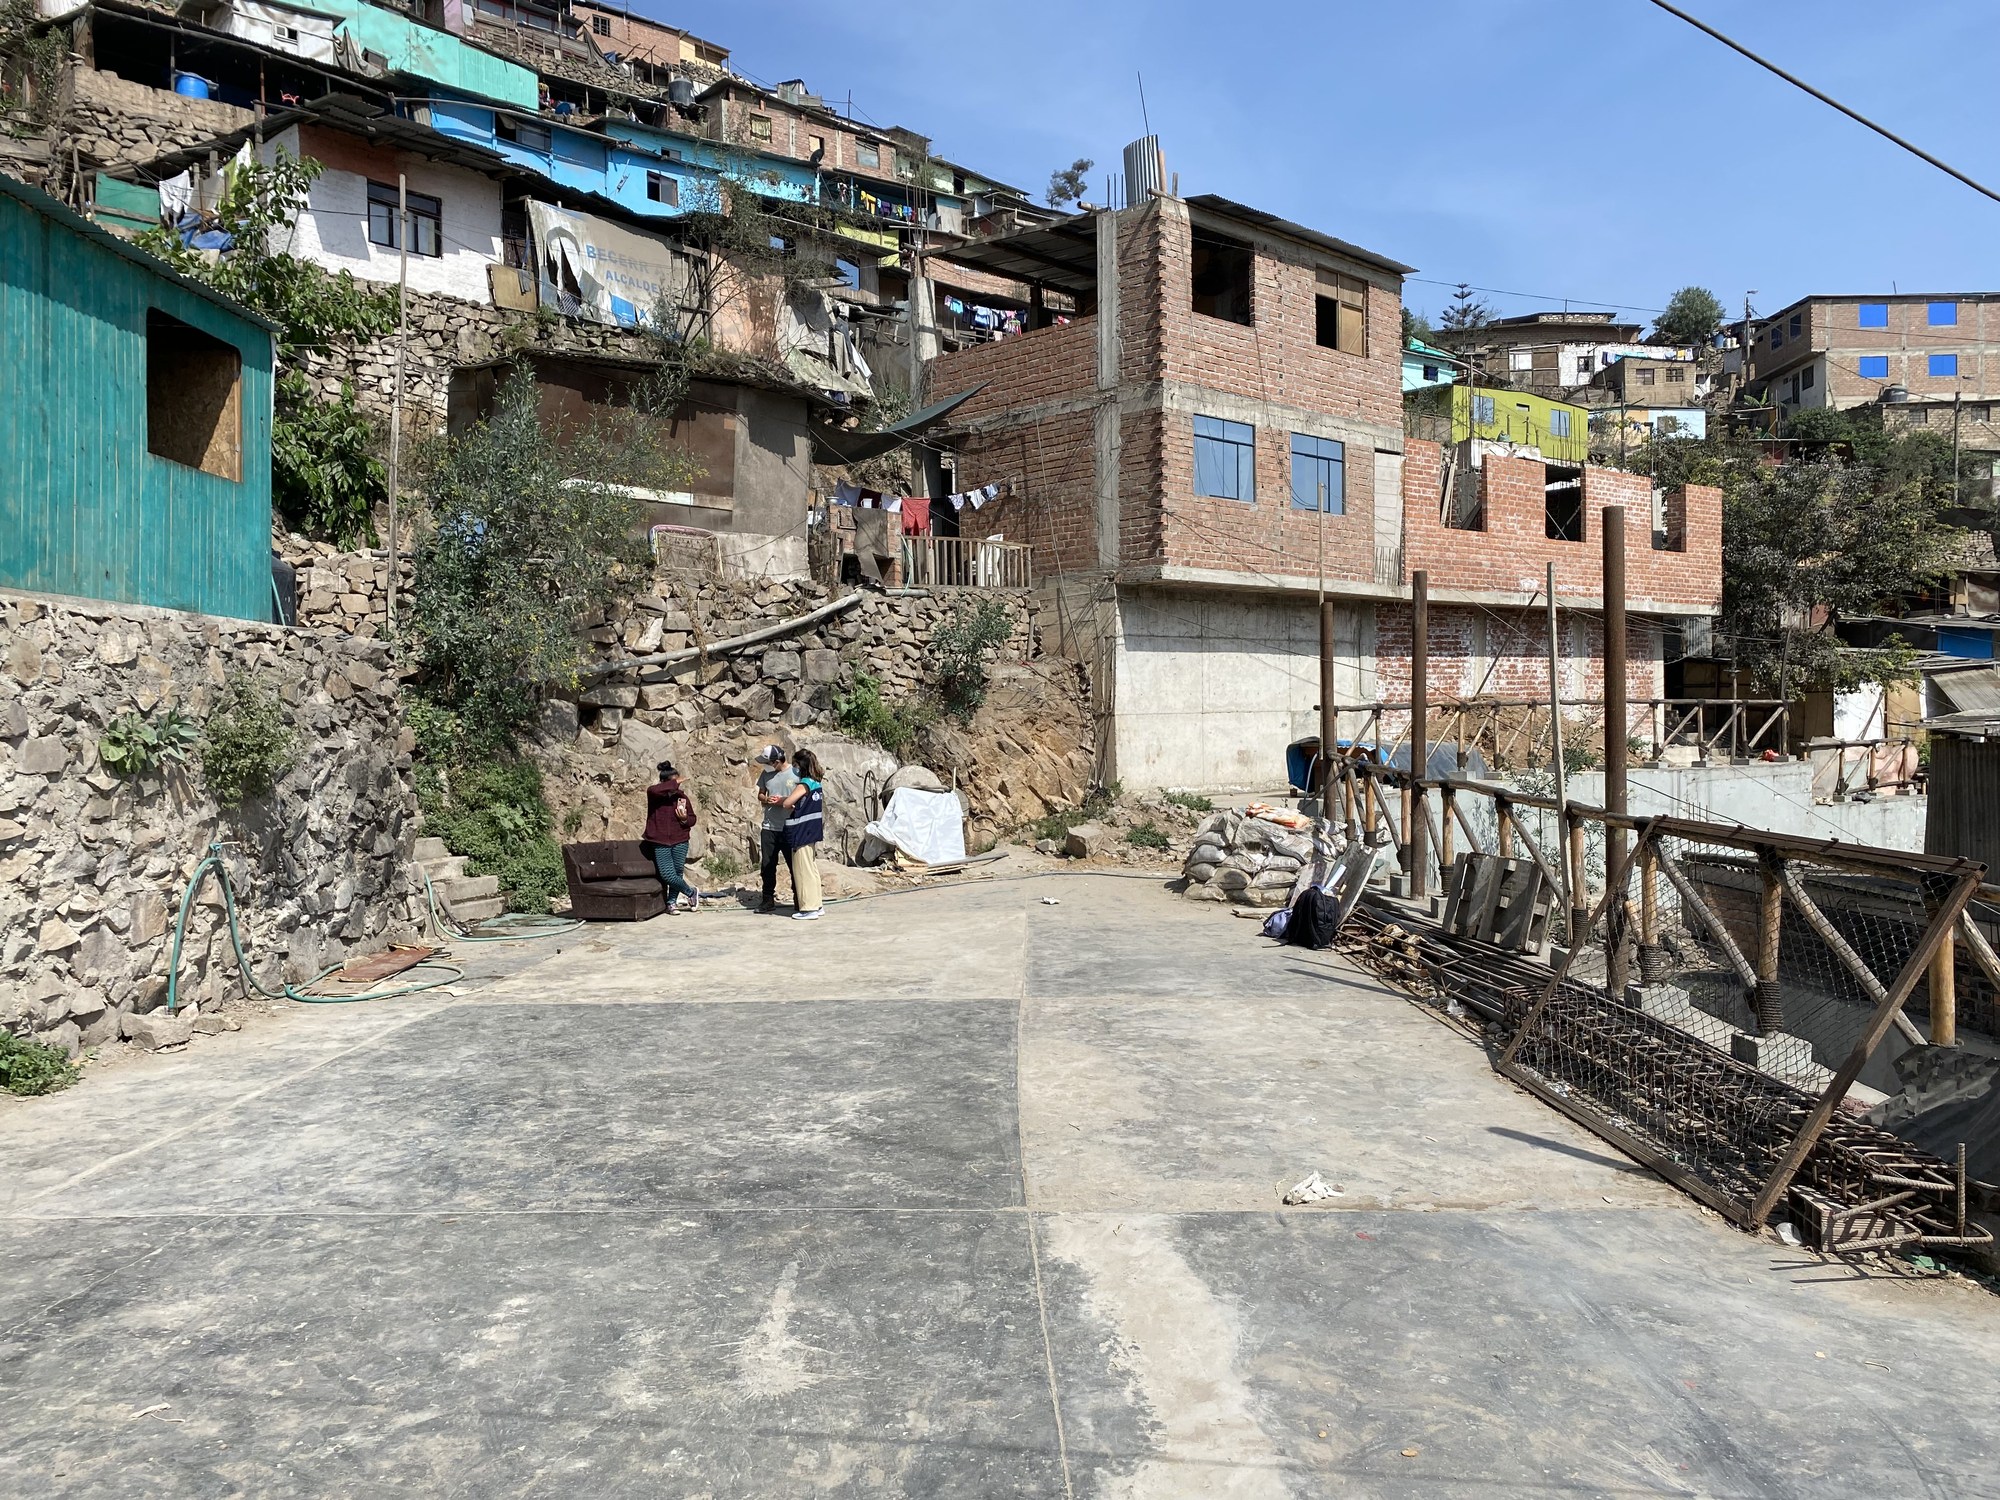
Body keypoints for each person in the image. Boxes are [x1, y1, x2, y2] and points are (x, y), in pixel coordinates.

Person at [642, 760, 700, 913]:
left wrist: (684, 819)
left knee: (677, 872)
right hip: (660, 841)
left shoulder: (682, 797)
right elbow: (654, 790)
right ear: (664, 783)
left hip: (680, 840)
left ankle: (671, 903)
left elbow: (692, 819)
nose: (677, 785)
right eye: (673, 782)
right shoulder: (654, 795)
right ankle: (690, 892)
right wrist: (674, 783)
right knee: (667, 874)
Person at [752, 743, 798, 914]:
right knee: (767, 865)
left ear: (778, 761)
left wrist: (783, 801)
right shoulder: (767, 774)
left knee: (795, 866)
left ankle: (799, 898)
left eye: (770, 763)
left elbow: (800, 797)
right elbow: (760, 794)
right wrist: (766, 799)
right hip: (769, 827)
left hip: (790, 827)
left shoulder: (795, 774)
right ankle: (767, 899)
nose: (768, 766)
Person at [781, 748, 825, 921]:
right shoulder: (816, 782)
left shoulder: (804, 783)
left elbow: (788, 803)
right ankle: (817, 904)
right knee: (811, 868)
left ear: (801, 765)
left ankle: (808, 908)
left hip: (802, 830)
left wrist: (785, 801)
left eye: (795, 764)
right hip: (812, 830)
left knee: (802, 870)